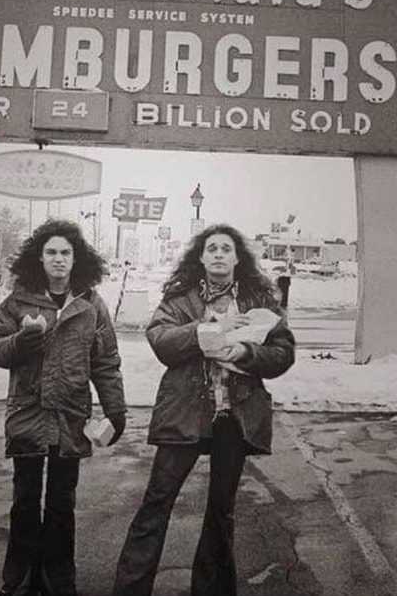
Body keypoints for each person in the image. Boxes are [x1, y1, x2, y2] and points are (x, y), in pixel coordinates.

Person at [113, 224, 295, 596]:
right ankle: (130, 589)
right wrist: (202, 331)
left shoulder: (259, 298)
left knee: (221, 511)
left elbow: (284, 351)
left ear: (236, 257)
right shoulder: (180, 298)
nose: (218, 254)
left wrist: (247, 352)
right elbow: (160, 340)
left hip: (235, 413)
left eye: (225, 249)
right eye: (211, 248)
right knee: (157, 502)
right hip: (185, 411)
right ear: (200, 256)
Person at [0, 219, 127, 596]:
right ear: (39, 257)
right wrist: (24, 339)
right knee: (25, 502)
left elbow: (106, 362)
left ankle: (59, 580)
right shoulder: (18, 300)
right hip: (28, 413)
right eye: (51, 252)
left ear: (77, 259)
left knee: (62, 504)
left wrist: (116, 411)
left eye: (66, 252)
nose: (59, 259)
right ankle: (17, 581)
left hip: (70, 415)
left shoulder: (92, 304)